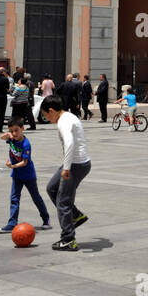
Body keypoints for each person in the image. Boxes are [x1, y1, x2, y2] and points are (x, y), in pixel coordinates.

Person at [39, 96, 91, 251]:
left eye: (46, 115)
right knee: (52, 188)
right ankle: (75, 216)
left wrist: (66, 168)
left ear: (51, 111)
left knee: (63, 201)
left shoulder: (63, 121)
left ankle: (68, 239)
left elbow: (69, 142)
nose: (47, 119)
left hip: (76, 165)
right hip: (77, 163)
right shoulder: (68, 115)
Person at [0, 118, 52, 234]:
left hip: (28, 175)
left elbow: (25, 162)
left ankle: (46, 219)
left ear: (22, 129)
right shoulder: (12, 139)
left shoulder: (26, 144)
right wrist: (6, 135)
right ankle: (12, 223)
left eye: (16, 130)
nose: (14, 134)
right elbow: (1, 138)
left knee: (36, 197)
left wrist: (12, 166)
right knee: (14, 198)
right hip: (17, 175)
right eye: (12, 131)